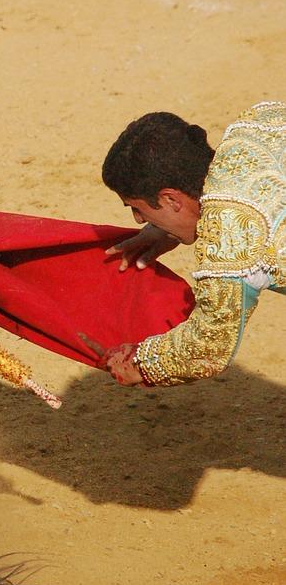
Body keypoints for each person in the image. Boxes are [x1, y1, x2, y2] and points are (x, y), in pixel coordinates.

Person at [93, 100, 285, 387]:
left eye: (138, 208)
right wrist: (173, 226)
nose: (138, 219)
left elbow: (207, 347)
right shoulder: (258, 124)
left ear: (171, 199)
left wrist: (141, 363)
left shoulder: (231, 240)